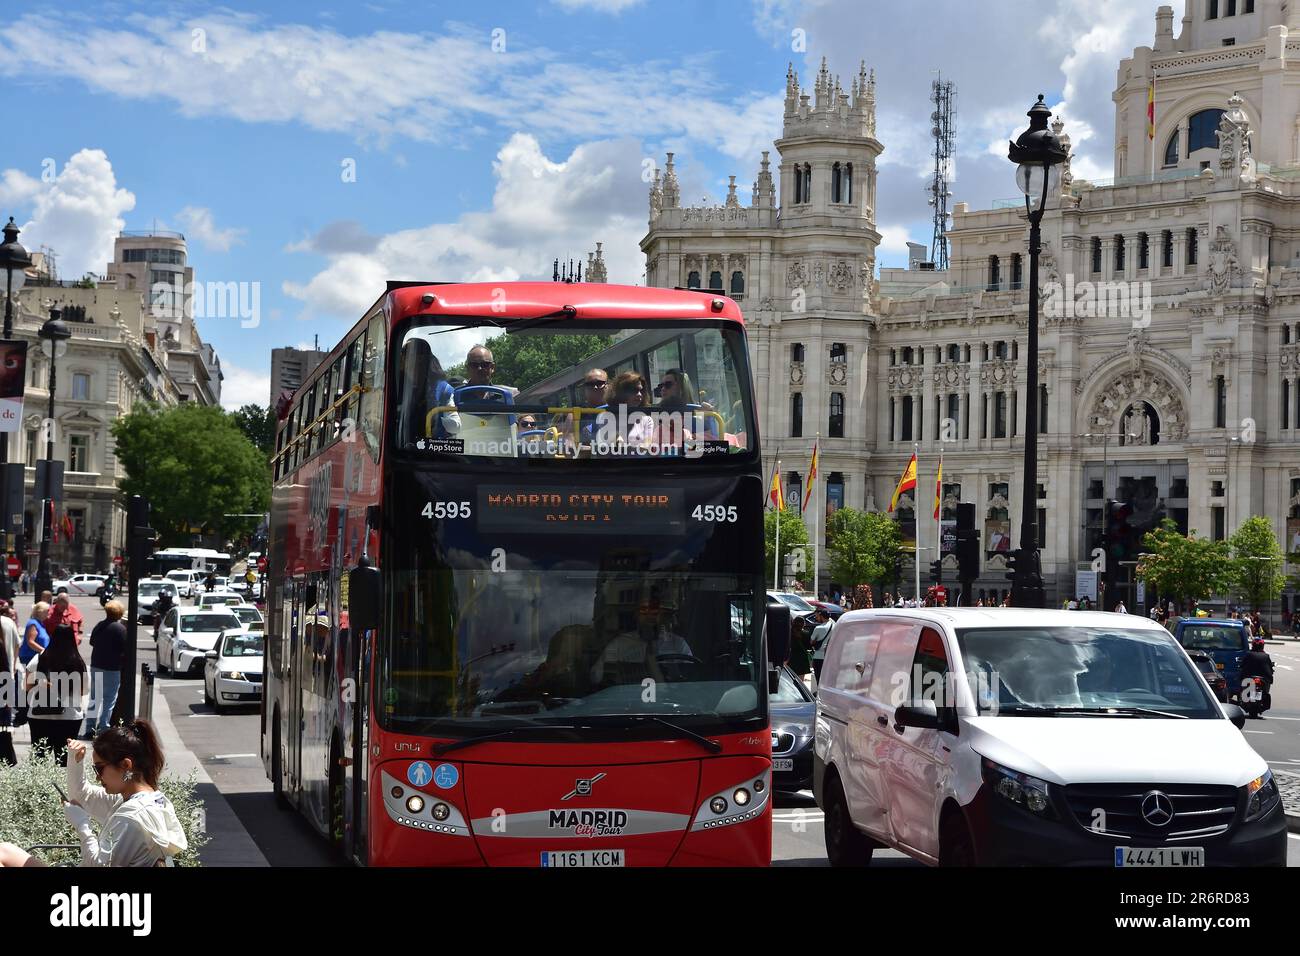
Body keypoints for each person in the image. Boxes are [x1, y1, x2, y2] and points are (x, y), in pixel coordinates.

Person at [0, 720, 188, 867]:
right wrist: (75, 761)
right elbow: (82, 797)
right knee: (4, 850)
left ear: (125, 766)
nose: (98, 777)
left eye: (99, 769)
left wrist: (82, 824)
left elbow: (98, 865)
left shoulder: (131, 817)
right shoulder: (146, 799)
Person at [591, 596, 693, 686]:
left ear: (661, 615)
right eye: (644, 611)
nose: (649, 616)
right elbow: (596, 676)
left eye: (654, 611)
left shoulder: (678, 644)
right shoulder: (619, 644)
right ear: (636, 615)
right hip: (629, 702)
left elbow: (691, 678)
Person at [25, 624, 85, 764]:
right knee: (66, 760)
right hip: (70, 716)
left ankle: (39, 786)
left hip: (40, 714)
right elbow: (82, 691)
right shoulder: (77, 661)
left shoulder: (39, 658)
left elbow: (27, 687)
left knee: (39, 759)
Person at [82, 601, 127, 739]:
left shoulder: (100, 625)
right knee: (109, 700)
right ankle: (103, 728)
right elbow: (125, 648)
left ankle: (89, 728)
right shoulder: (121, 629)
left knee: (95, 698)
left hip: (97, 665)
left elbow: (92, 642)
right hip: (112, 668)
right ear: (119, 613)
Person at [1239, 637, 1275, 717]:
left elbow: (1242, 665)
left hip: (1250, 678)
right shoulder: (1265, 656)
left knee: (1242, 684)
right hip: (1261, 679)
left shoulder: (1249, 654)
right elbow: (1270, 668)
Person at [18, 600, 51, 669]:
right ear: (40, 612)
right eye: (47, 611)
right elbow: (30, 642)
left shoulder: (41, 624)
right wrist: (44, 651)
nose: (49, 613)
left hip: (38, 657)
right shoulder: (33, 624)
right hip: (30, 657)